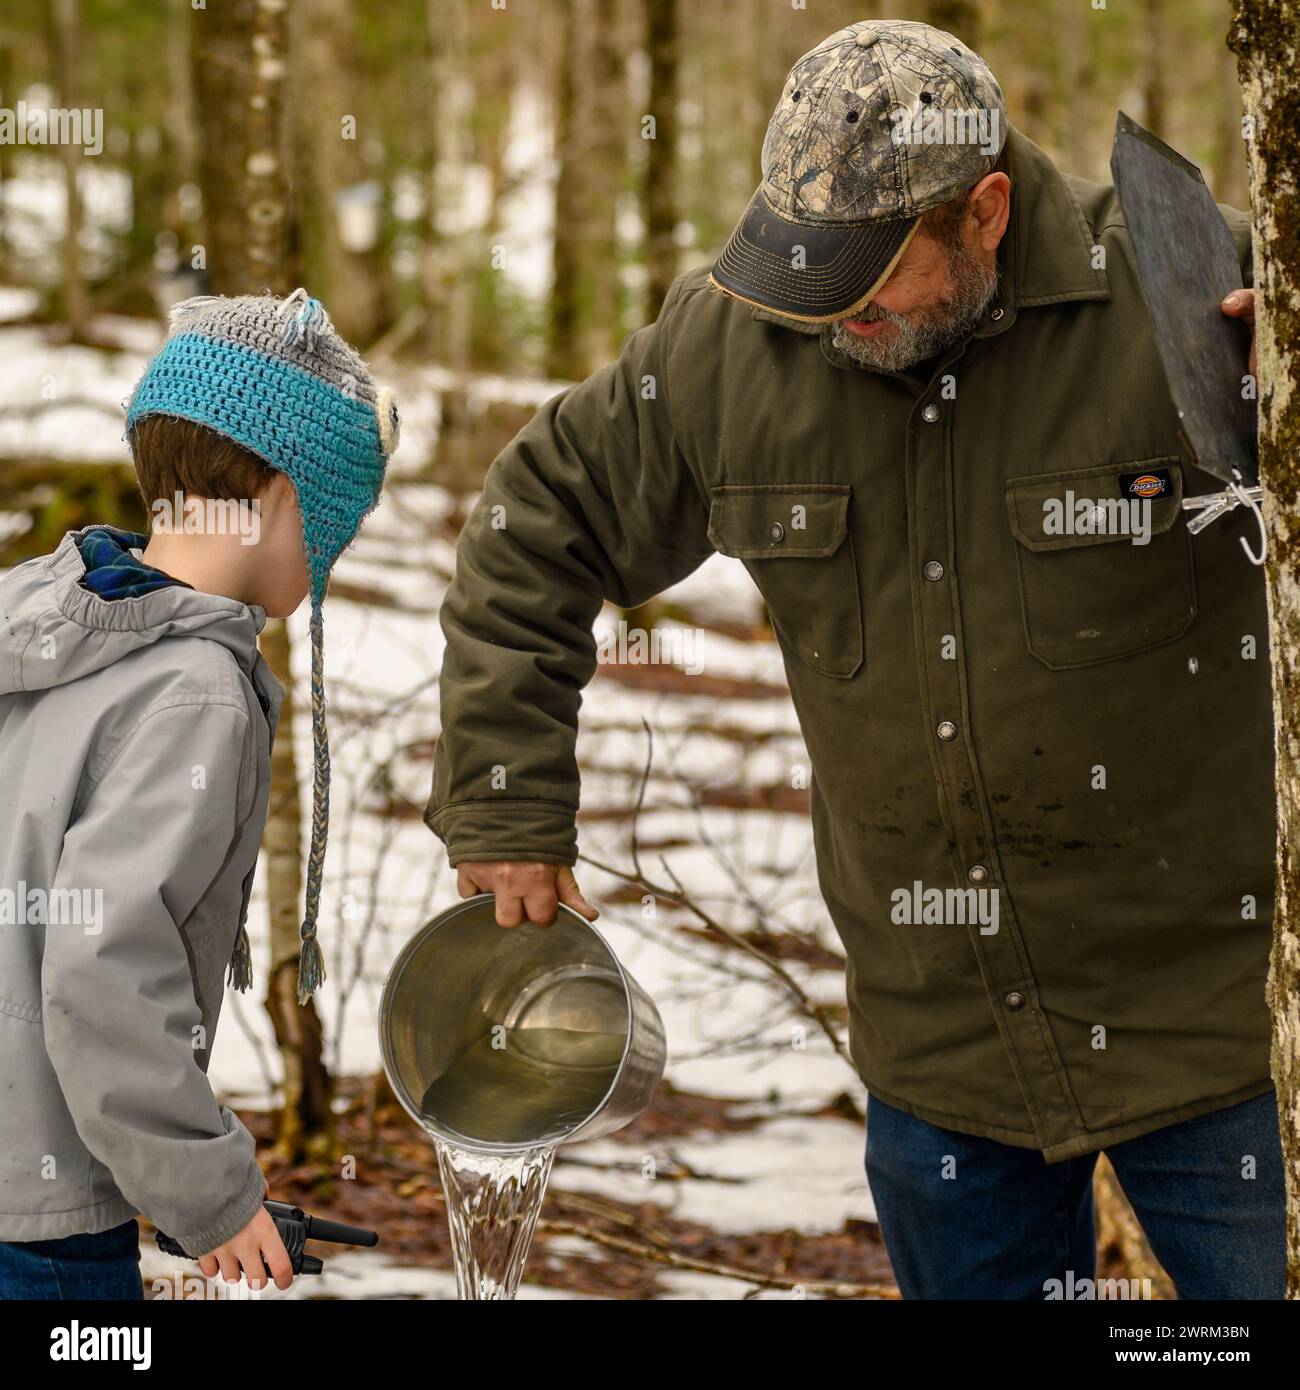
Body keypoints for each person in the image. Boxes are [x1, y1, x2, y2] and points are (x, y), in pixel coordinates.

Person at [426, 19, 1282, 1298]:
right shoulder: (732, 345)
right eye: (800, 264)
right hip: (940, 1040)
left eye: (868, 275)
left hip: (1217, 1030)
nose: (826, 310)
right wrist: (503, 788)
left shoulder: (1179, 290)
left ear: (983, 210)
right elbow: (532, 523)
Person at [0, 289, 397, 1298]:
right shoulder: (196, 693)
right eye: (331, 522)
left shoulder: (39, 620)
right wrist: (212, 1196)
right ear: (272, 498)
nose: (330, 557)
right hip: (45, 1225)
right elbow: (104, 977)